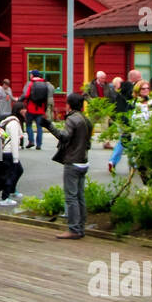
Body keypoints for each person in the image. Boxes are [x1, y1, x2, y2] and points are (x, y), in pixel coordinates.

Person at [42, 93, 93, 239]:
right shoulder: (86, 119)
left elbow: (64, 136)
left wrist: (49, 126)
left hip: (73, 161)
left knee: (71, 197)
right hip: (84, 160)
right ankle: (80, 227)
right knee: (80, 196)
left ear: (69, 104)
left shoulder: (72, 119)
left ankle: (74, 229)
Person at [0, 101, 25, 206]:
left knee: (19, 171)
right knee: (11, 174)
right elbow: (13, 140)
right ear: (18, 111)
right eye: (23, 109)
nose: (25, 111)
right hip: (9, 153)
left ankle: (12, 191)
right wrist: (16, 158)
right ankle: (5, 197)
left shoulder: (13, 122)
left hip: (7, 152)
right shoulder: (13, 123)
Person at [21, 70, 54, 150]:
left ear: (33, 75)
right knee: (39, 127)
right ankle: (39, 144)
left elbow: (27, 95)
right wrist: (45, 109)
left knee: (29, 125)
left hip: (31, 108)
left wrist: (22, 102)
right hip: (41, 109)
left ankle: (31, 141)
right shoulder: (45, 84)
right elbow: (47, 97)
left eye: (31, 74)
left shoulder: (31, 83)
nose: (30, 75)